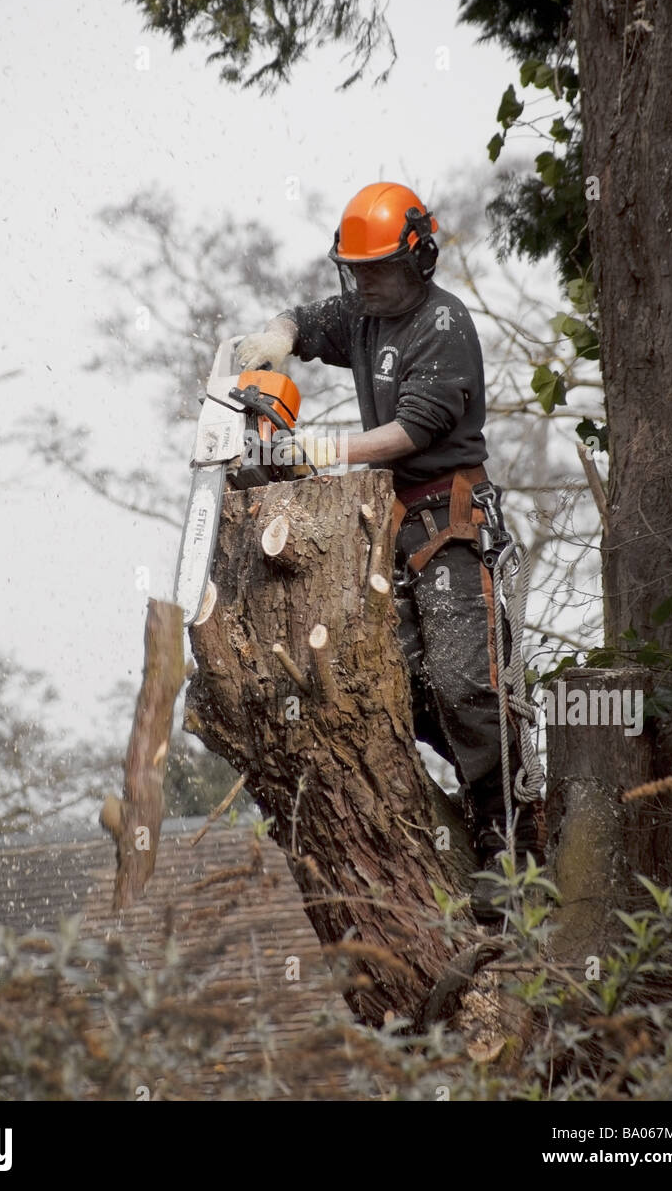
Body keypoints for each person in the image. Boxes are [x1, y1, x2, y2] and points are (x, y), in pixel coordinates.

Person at [236, 181, 542, 921]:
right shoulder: (364, 313)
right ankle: (468, 819)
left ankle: (517, 846)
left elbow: (411, 431)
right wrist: (274, 338)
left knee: (466, 683)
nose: (366, 284)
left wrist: (322, 447)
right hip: (385, 527)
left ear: (419, 256)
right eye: (356, 271)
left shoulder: (444, 324)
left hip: (452, 521)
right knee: (396, 684)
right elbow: (308, 321)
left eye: (378, 270)